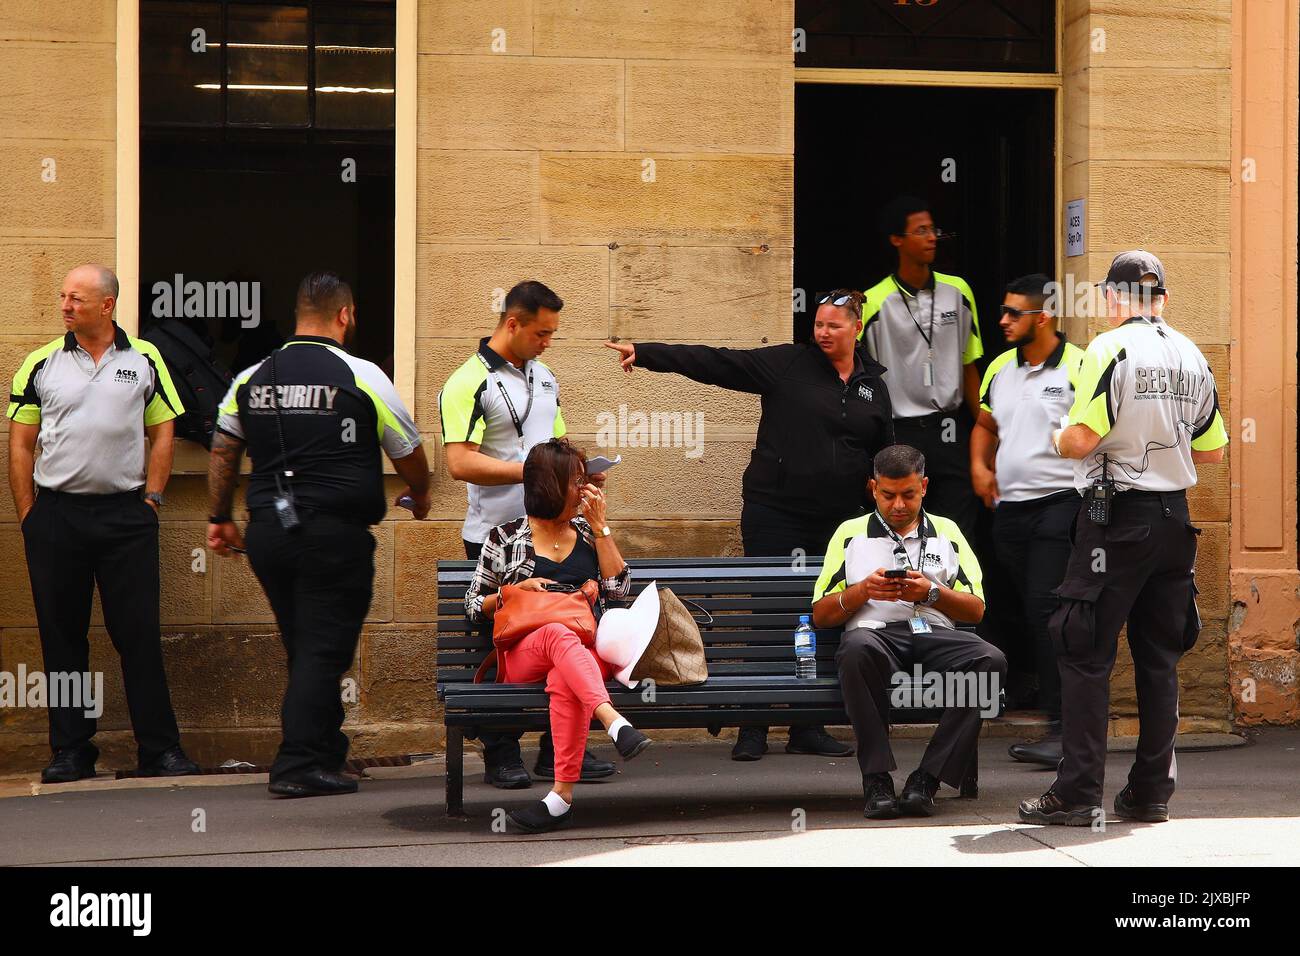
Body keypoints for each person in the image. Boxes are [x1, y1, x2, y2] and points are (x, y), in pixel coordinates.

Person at [605, 290, 894, 761]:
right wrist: (649, 354)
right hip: (776, 511)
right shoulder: (789, 365)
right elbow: (720, 363)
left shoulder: (872, 385)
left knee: (823, 614)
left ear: (856, 329)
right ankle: (753, 727)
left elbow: (884, 454)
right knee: (768, 613)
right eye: (818, 323)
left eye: (833, 325)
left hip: (837, 521)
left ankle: (808, 726)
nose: (822, 332)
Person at [1019, 251, 1228, 827]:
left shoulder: (1108, 350)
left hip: (1116, 519)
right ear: (1161, 298)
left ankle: (1078, 792)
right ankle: (1150, 793)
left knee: (1084, 650)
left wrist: (1060, 433)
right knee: (1159, 658)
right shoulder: (1191, 353)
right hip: (1174, 519)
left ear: (1113, 299)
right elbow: (1211, 449)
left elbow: (1082, 440)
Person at [207, 271, 430, 798]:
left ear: (298, 314)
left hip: (269, 535)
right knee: (323, 650)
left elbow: (222, 447)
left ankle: (327, 751)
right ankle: (296, 765)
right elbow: (408, 451)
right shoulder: (362, 375)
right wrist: (420, 494)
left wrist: (220, 516)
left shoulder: (253, 376)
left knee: (306, 644)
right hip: (333, 537)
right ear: (345, 315)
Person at [8, 264, 200, 782]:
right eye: (63, 297)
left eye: (76, 298)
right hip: (57, 517)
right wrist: (30, 514)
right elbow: (21, 441)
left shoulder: (144, 359)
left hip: (126, 516)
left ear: (107, 305)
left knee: (138, 633)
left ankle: (159, 751)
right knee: (62, 636)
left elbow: (163, 431)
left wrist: (153, 499)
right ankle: (71, 750)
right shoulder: (40, 363)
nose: (66, 306)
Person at [439, 280, 614, 789]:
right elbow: (458, 462)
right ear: (512, 323)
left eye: (553, 333)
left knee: (567, 630)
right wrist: (533, 474)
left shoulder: (544, 376)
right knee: (503, 639)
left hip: (558, 529)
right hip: (497, 533)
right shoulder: (466, 382)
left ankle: (556, 749)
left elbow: (556, 443)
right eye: (542, 332)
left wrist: (576, 472)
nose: (548, 342)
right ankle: (500, 751)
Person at [464, 438, 651, 833]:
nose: (585, 489)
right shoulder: (505, 538)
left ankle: (561, 798)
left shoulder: (587, 532)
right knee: (555, 635)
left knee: (564, 670)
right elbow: (472, 604)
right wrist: (514, 592)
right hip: (524, 653)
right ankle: (613, 720)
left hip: (582, 653)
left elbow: (619, 592)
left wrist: (602, 528)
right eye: (576, 481)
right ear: (549, 486)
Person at [811, 444, 1005, 819]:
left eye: (908, 494)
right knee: (855, 650)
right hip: (875, 633)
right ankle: (877, 779)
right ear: (873, 488)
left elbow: (977, 608)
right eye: (888, 495)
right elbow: (821, 614)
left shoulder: (947, 531)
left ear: (925, 487)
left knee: (990, 660)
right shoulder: (851, 534)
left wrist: (932, 593)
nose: (898, 505)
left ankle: (926, 779)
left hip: (934, 633)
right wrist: (862, 591)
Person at [970, 274, 1084, 766]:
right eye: (1003, 311)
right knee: (1015, 604)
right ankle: (1030, 694)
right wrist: (979, 466)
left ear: (1044, 316)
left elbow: (1096, 431)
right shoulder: (1000, 366)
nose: (1002, 321)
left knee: (1046, 610)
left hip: (1060, 505)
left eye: (1013, 313)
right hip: (1010, 511)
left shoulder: (1081, 366)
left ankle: (1063, 729)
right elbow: (985, 424)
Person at [861, 196, 983, 545]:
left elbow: (969, 366)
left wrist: (986, 433)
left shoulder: (957, 291)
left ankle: (957, 597)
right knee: (902, 526)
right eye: (921, 230)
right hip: (900, 430)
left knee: (960, 529)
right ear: (897, 239)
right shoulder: (873, 302)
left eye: (934, 230)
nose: (932, 237)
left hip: (951, 427)